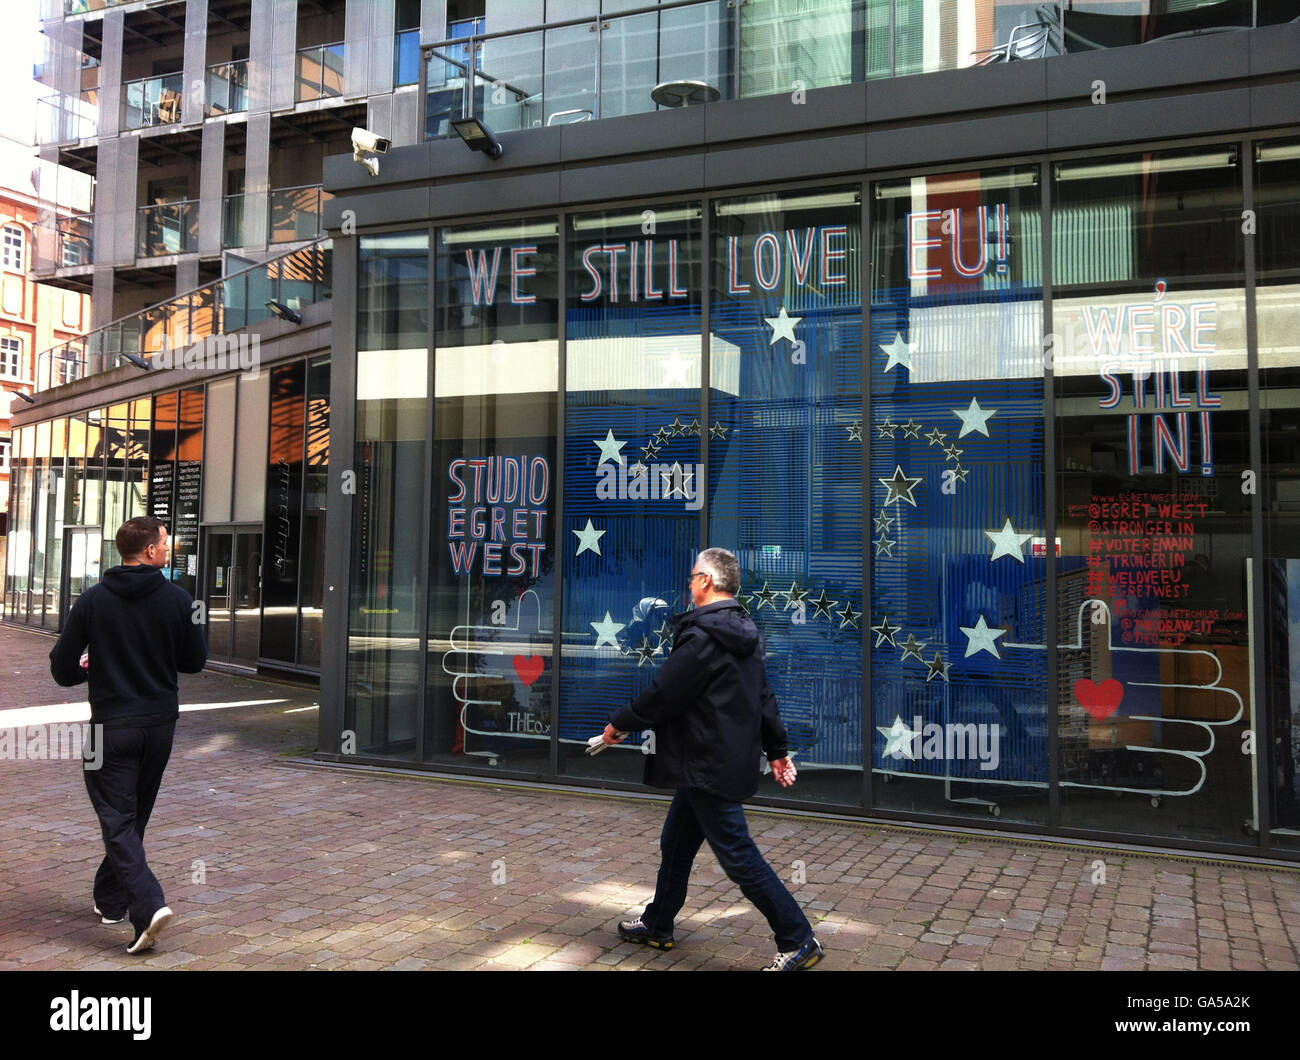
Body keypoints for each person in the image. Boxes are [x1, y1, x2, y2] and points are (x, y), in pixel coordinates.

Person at [603, 547, 823, 971]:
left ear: (705, 581)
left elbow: (666, 692)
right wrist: (777, 751)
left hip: (706, 762)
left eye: (692, 577)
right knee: (676, 842)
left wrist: (620, 723)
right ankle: (658, 923)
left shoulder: (703, 636)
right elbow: (763, 695)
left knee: (739, 856)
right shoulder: (745, 630)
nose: (688, 584)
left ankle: (798, 938)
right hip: (709, 761)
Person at [50, 516, 207, 955]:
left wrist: (89, 667)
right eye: (165, 542)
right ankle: (111, 898)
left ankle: (148, 904)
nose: (169, 547)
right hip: (159, 727)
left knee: (118, 819)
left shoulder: (93, 601)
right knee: (130, 817)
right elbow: (194, 661)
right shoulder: (178, 600)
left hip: (109, 728)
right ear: (150, 551)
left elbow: (62, 668)